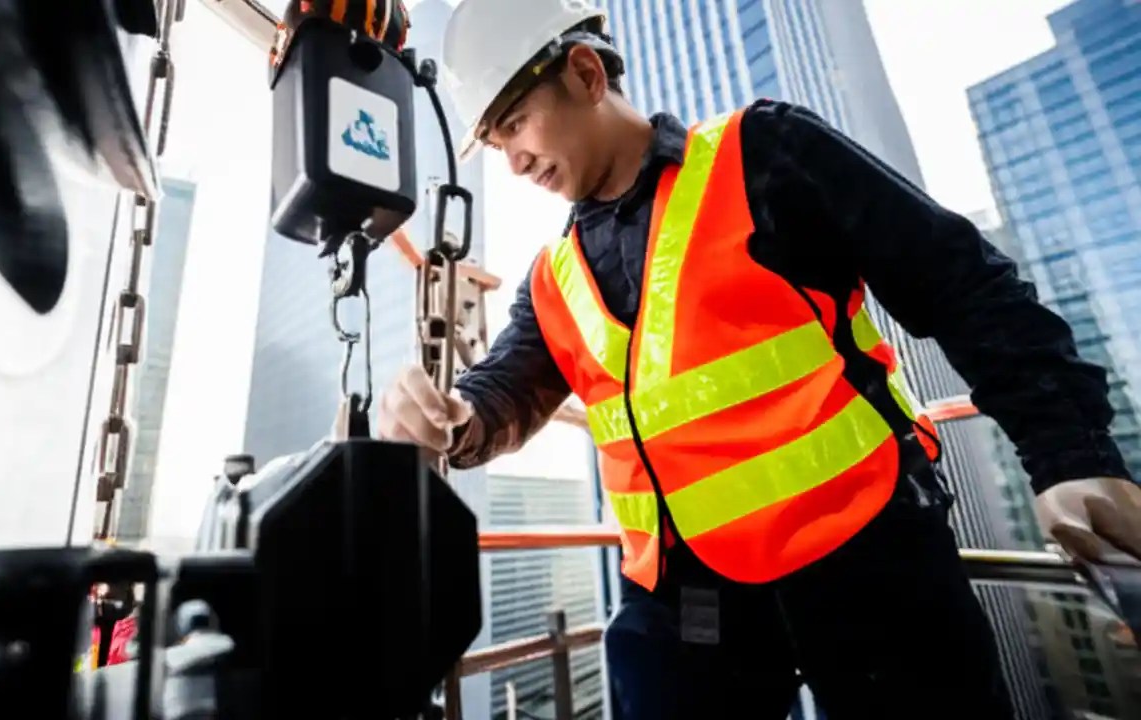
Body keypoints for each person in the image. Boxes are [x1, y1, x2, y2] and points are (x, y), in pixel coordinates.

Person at [376, 0, 1141, 717]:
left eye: (517, 123)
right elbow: (505, 388)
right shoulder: (553, 278)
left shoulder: (763, 153)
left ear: (585, 73)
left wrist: (1069, 455)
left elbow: (961, 283)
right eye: (498, 142)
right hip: (688, 605)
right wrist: (455, 417)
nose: (513, 162)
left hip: (866, 561)